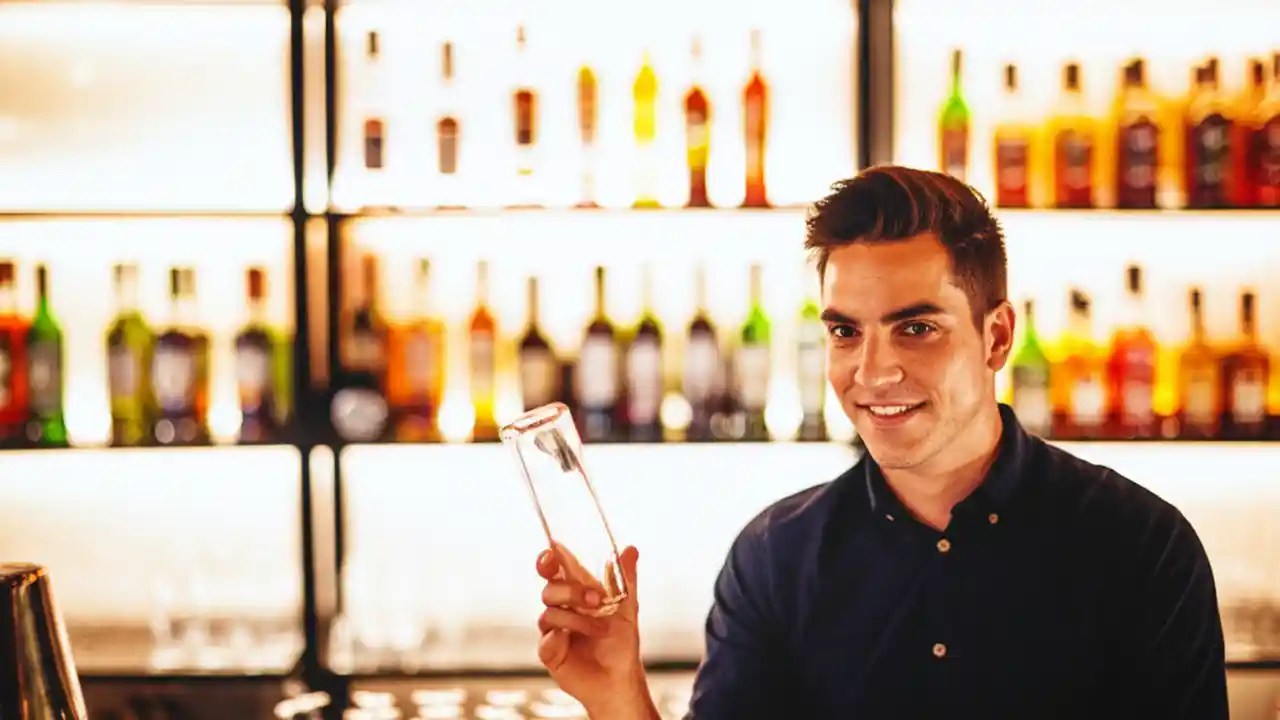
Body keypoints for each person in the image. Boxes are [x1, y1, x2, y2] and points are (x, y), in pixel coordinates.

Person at [533, 165, 1228, 719]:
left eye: (916, 329)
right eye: (845, 332)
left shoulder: (1141, 547)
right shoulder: (775, 559)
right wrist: (618, 695)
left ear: (996, 338)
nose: (872, 372)